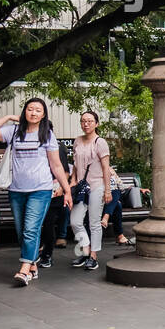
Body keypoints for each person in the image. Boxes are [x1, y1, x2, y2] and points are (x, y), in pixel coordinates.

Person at [0, 99, 74, 286]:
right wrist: (8, 117)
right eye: (30, 109)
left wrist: (67, 190)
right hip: (16, 190)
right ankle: (33, 266)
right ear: (24, 112)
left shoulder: (47, 135)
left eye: (38, 110)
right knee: (22, 230)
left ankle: (24, 270)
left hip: (41, 189)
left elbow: (56, 166)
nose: (33, 113)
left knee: (31, 229)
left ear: (43, 115)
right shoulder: (14, 131)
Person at [68, 110, 115, 270]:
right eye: (83, 121)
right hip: (82, 188)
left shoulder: (100, 142)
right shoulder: (77, 141)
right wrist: (73, 181)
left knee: (94, 223)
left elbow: (105, 168)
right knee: (75, 221)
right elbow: (75, 164)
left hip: (96, 186)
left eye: (89, 121)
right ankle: (86, 250)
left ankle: (93, 256)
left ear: (96, 123)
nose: (86, 124)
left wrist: (107, 190)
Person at [99, 171, 136, 246]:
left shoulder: (111, 170)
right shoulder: (96, 170)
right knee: (118, 205)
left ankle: (106, 217)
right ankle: (120, 236)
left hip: (116, 196)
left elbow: (121, 186)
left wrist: (139, 189)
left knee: (116, 192)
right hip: (103, 199)